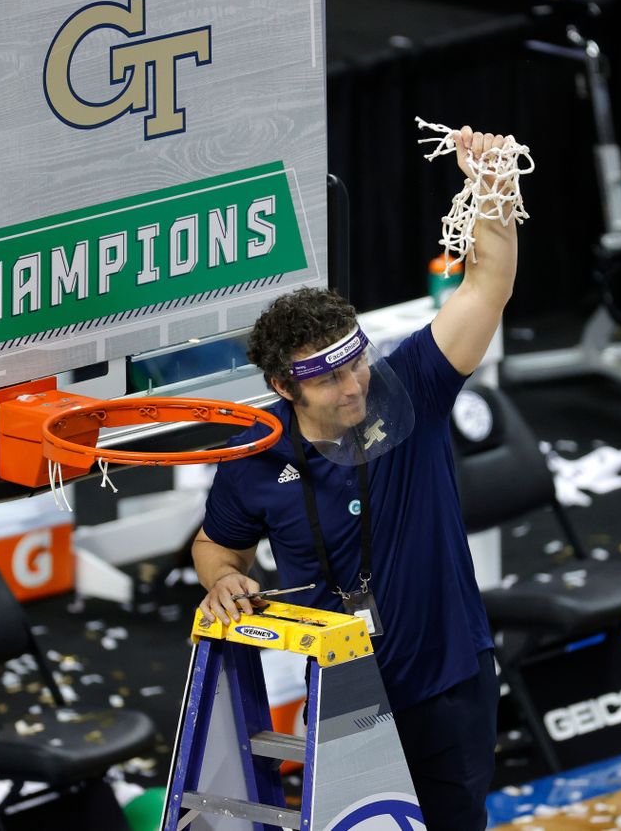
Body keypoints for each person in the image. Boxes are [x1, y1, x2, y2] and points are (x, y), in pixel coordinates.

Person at [193, 127, 519, 827]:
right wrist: (222, 579)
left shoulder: (412, 389)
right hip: (344, 700)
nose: (353, 387)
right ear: (286, 387)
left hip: (447, 682)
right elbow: (215, 545)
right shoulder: (255, 457)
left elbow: (487, 284)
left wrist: (491, 182)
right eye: (329, 378)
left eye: (356, 362)